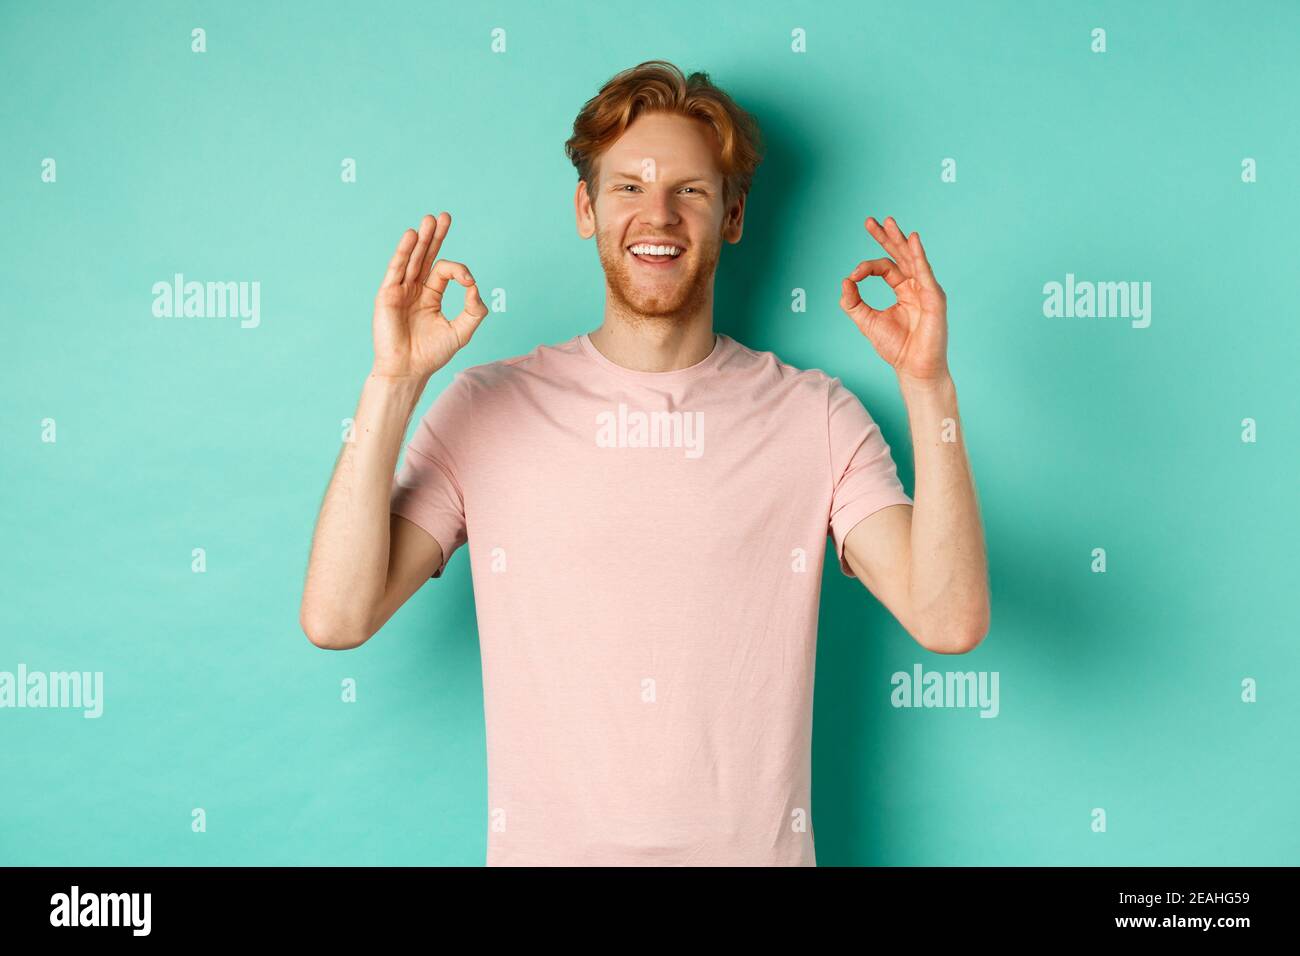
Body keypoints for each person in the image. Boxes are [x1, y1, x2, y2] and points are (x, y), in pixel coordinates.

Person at [299, 60, 989, 866]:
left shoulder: (817, 418)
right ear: (586, 209)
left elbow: (948, 619)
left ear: (732, 216)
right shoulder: (484, 409)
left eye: (690, 191)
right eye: (628, 187)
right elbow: (337, 617)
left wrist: (929, 386)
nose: (656, 214)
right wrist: (393, 383)